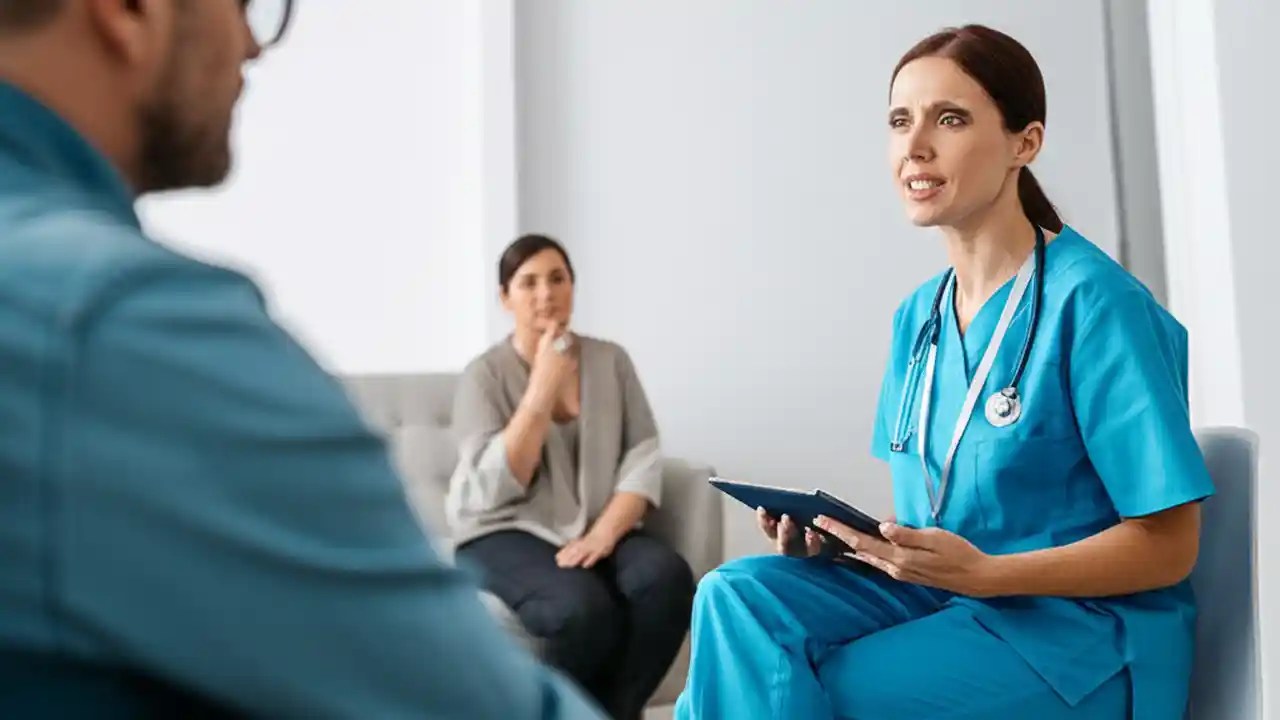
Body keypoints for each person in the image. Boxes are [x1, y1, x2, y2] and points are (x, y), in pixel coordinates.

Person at [0, 2, 603, 718]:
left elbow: (634, 464)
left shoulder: (606, 364)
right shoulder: (129, 331)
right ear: (130, 10)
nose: (254, 44)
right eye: (244, 4)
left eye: (556, 279)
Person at [675, 24, 1213, 720]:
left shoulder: (1097, 305)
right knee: (734, 599)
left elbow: (1170, 547)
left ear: (1026, 142)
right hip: (949, 600)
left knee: (805, 689)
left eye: (949, 119)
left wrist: (991, 575)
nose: (915, 146)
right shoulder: (918, 319)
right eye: (901, 121)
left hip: (1079, 638)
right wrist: (843, 546)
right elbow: (939, 512)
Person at [449, 234, 696, 720]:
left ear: (573, 287)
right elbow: (494, 486)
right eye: (529, 282)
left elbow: (643, 454)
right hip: (503, 528)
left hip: (596, 525)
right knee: (582, 610)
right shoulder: (483, 375)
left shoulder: (611, 360)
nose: (546, 293)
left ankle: (614, 712)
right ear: (505, 297)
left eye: (557, 278)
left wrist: (606, 532)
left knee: (666, 578)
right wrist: (541, 387)